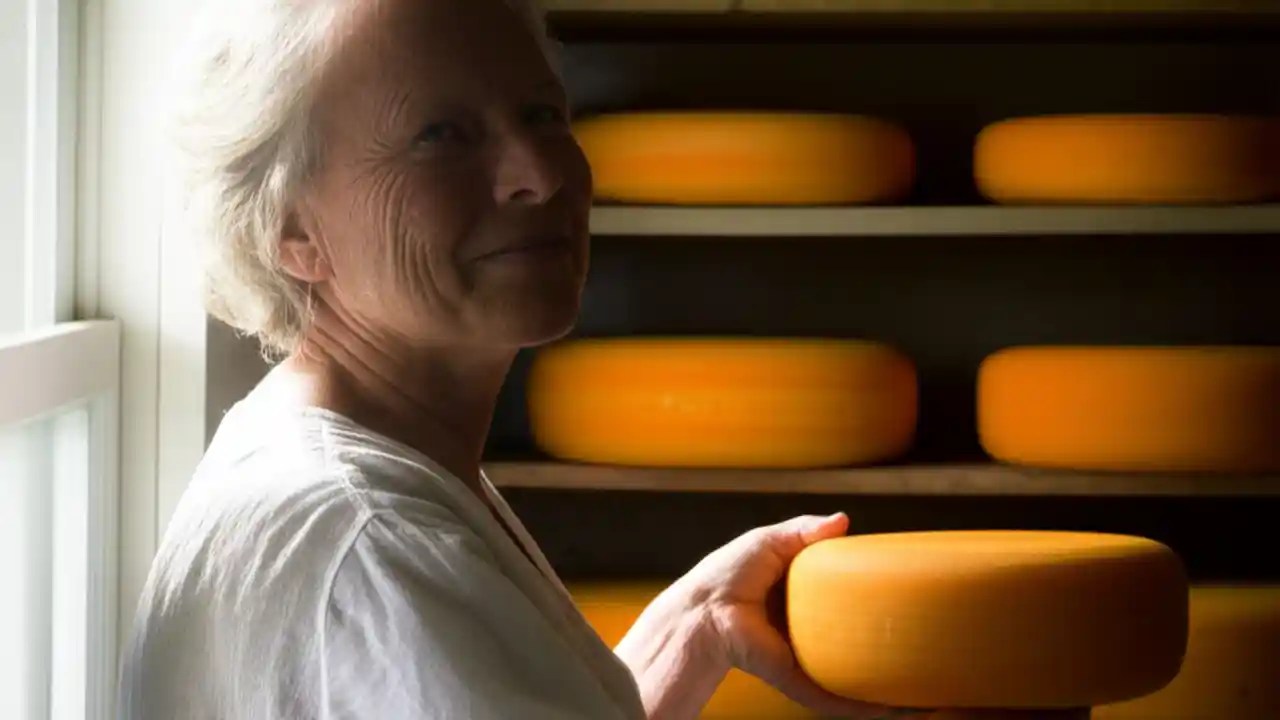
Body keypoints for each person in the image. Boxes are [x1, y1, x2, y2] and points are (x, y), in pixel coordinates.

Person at [119, 1, 1086, 718]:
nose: (541, 175)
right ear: (290, 230)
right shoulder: (373, 546)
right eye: (441, 135)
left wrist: (685, 634)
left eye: (544, 115)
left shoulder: (328, 453)